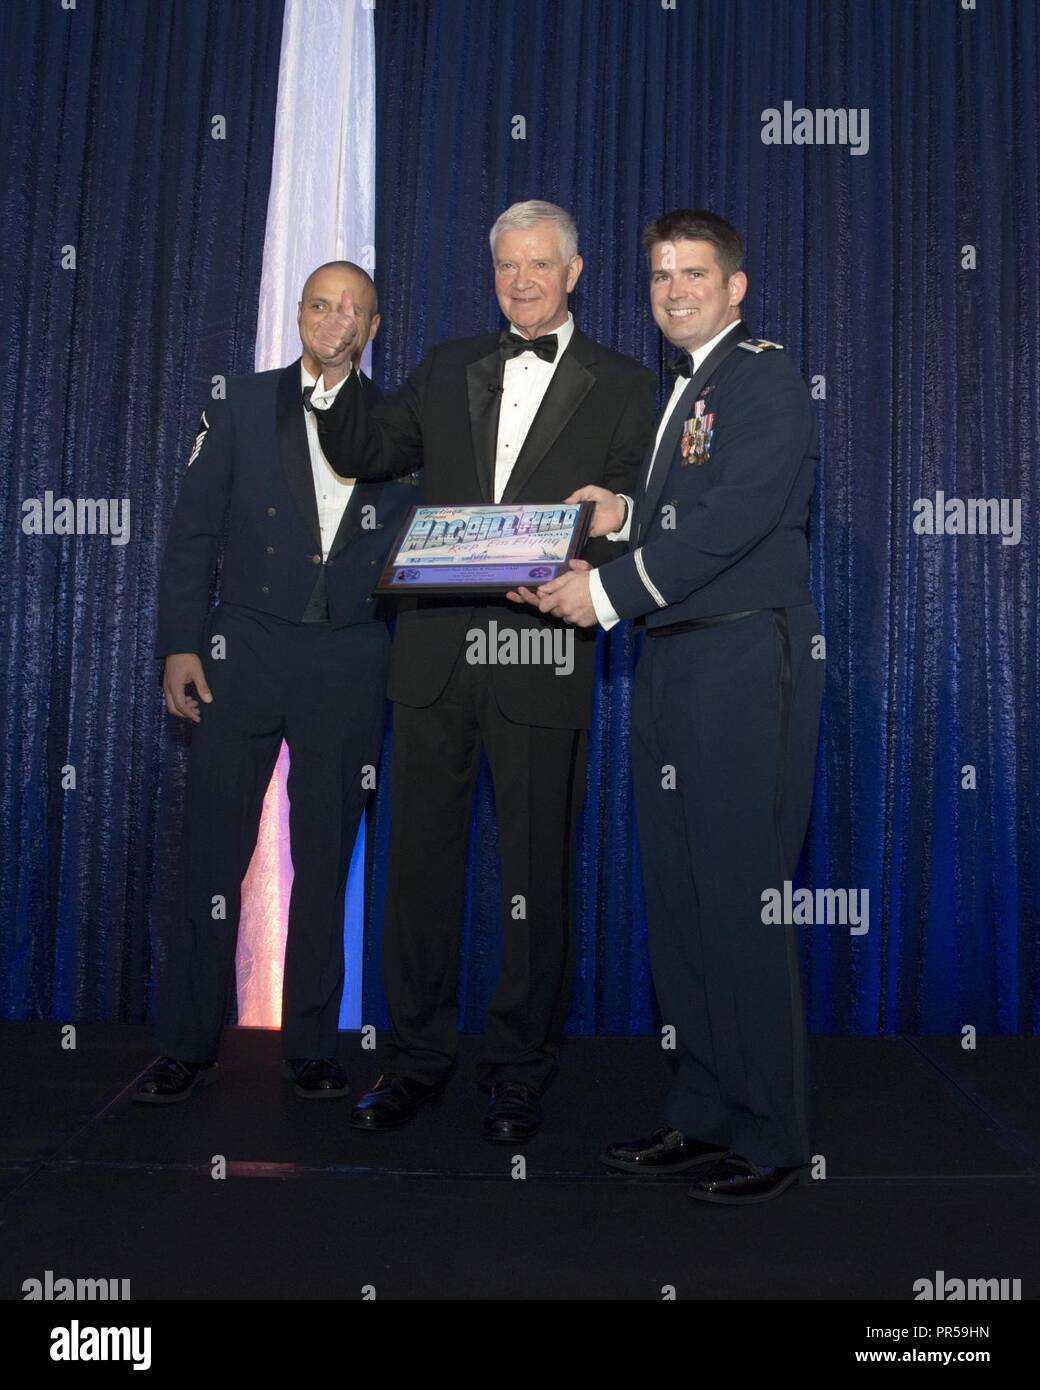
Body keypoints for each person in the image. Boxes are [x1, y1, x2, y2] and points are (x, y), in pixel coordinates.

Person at [310, 201, 654, 1141]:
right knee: (417, 871)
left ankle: (518, 1069)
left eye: (541, 264)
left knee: (537, 875)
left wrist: (617, 508)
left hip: (542, 652)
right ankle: (415, 1060)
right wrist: (336, 373)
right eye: (508, 266)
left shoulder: (627, 383)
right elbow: (367, 450)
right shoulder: (446, 364)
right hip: (431, 658)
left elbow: (643, 500)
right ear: (492, 272)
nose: (524, 281)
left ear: (575, 272)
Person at [517, 210, 823, 1202]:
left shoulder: (764, 375)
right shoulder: (677, 393)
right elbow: (686, 513)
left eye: (694, 273)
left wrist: (602, 592)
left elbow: (736, 517)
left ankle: (773, 1136)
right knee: (681, 906)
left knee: (739, 902)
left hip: (739, 658)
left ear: (735, 287)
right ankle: (701, 1114)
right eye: (658, 275)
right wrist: (619, 517)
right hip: (671, 661)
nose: (675, 289)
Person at [136, 262, 414, 1104]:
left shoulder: (402, 425)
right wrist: (181, 644)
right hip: (243, 651)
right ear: (300, 314)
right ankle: (184, 1043)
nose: (335, 320)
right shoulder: (241, 405)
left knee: (326, 861)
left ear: (371, 327)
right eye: (322, 304)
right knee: (214, 851)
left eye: (353, 310)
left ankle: (310, 1048)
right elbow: (191, 536)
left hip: (350, 659)